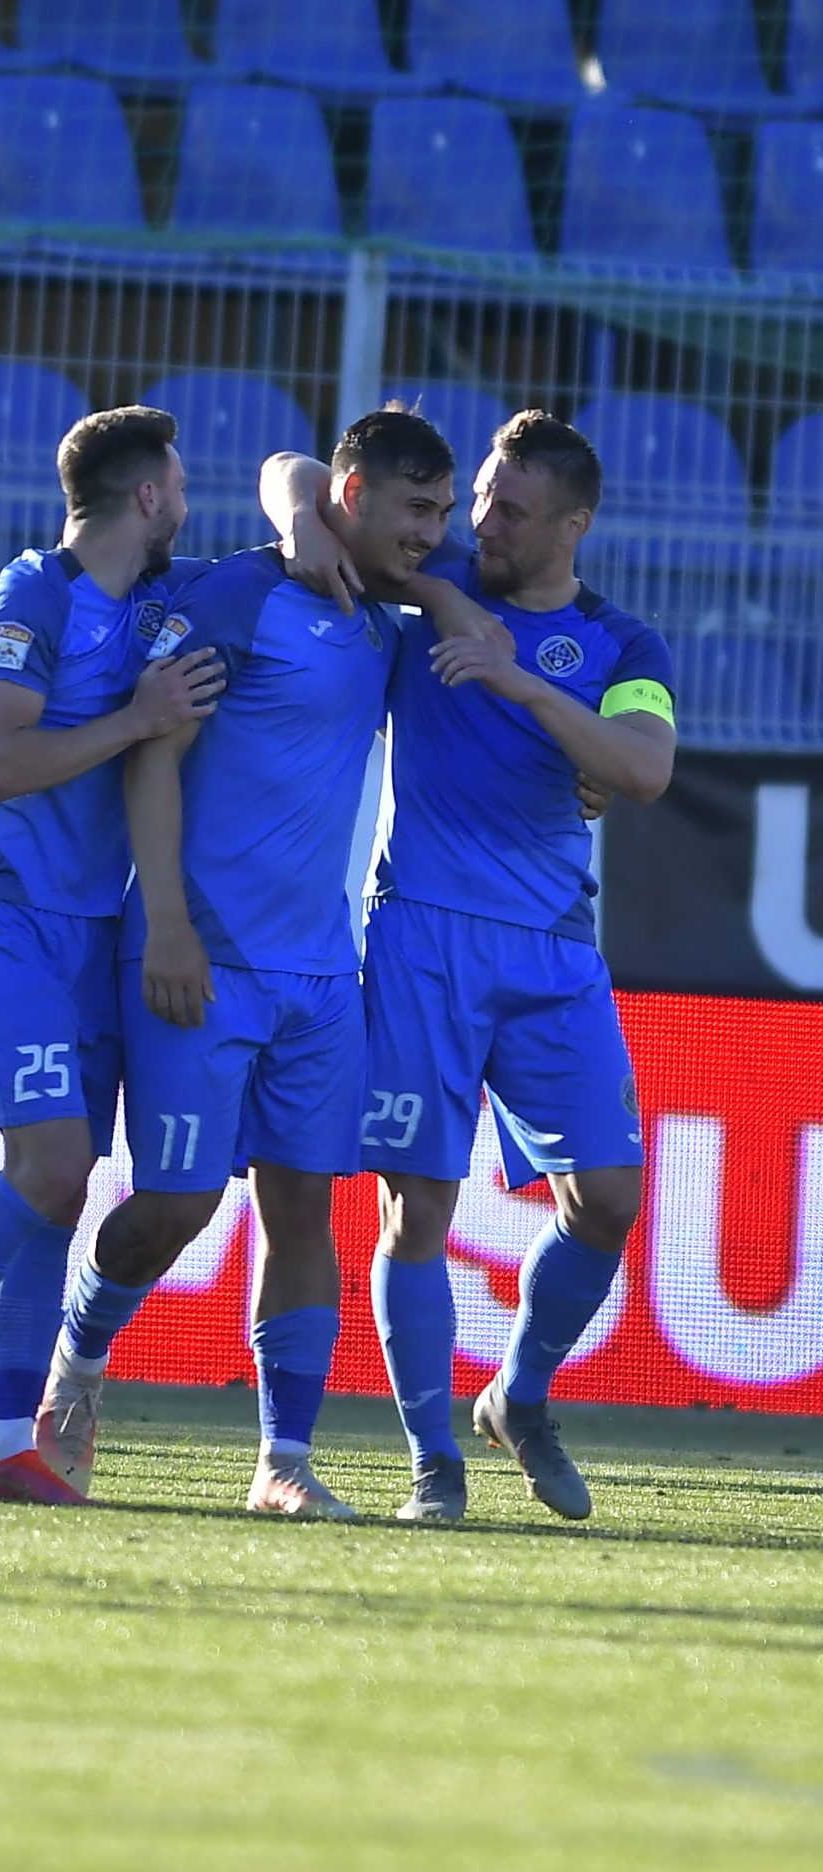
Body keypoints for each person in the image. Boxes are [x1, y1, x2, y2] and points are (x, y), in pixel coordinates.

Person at [33, 407, 462, 1519]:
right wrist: (166, 923)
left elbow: (303, 474)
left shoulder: (389, 602)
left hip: (323, 976)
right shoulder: (240, 596)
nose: (433, 534)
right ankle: (72, 1371)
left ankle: (283, 1461)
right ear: (353, 499)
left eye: (443, 514)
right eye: (414, 510)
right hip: (202, 957)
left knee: (305, 1210)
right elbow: (154, 750)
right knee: (173, 1207)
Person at [260, 412, 675, 1523]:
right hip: (422, 938)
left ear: (573, 525)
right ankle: (431, 1463)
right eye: (479, 497)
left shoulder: (623, 645)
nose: (480, 520)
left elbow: (640, 769)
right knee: (416, 1213)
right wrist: (306, 516)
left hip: (553, 951)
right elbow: (295, 471)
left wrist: (513, 681)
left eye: (510, 508)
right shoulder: (432, 567)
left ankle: (519, 1396)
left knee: (609, 1200)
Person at [0, 408, 221, 1502]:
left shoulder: (152, 604)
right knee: (54, 1166)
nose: (188, 499)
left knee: (56, 1193)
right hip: (5, 915)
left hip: (87, 930)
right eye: (180, 481)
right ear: (148, 495)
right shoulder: (29, 597)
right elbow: (1, 765)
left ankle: (7, 1442)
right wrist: (136, 718)